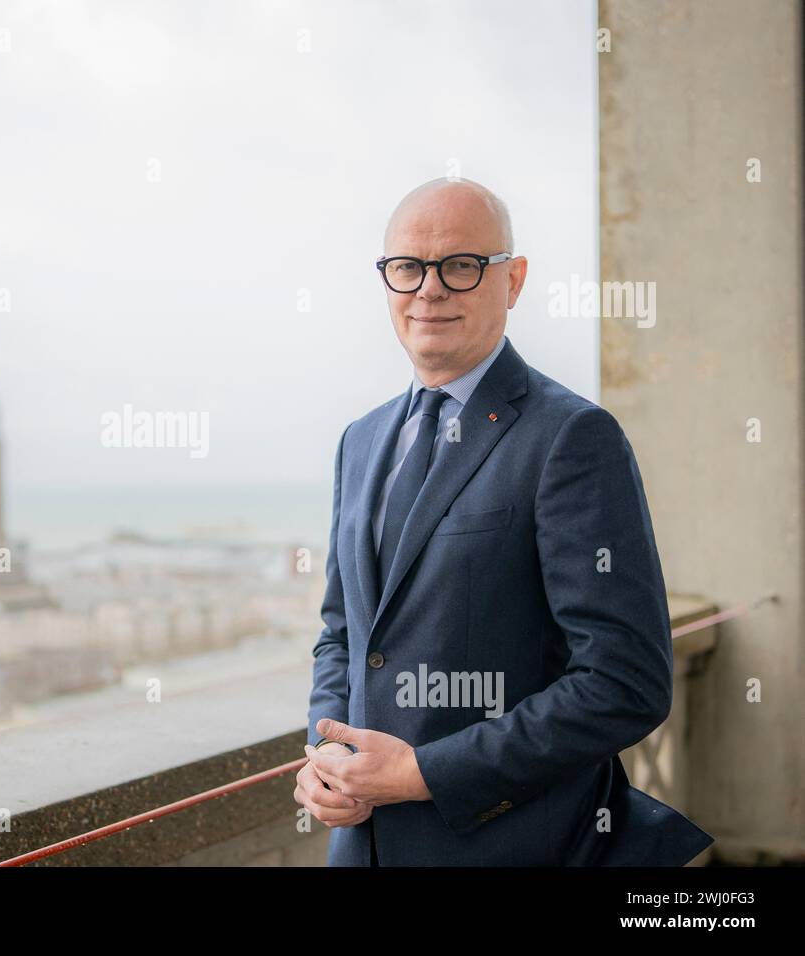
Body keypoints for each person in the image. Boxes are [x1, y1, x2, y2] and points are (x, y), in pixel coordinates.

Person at [294, 177, 714, 866]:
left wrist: (423, 774)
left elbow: (625, 682)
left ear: (512, 281)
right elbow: (342, 636)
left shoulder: (572, 437)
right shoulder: (359, 441)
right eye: (408, 268)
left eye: (462, 267)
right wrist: (329, 753)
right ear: (387, 281)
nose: (429, 290)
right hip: (362, 849)